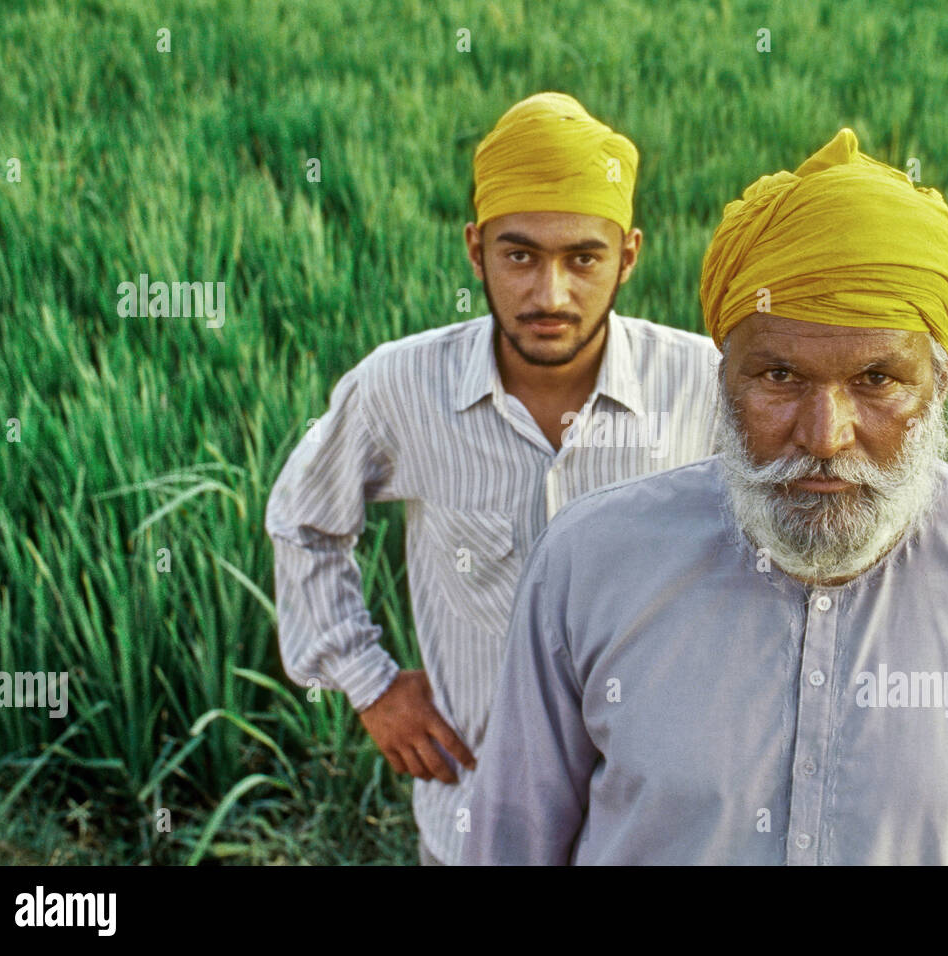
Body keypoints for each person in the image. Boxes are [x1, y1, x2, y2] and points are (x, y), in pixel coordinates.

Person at [463, 128, 948, 865]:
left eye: (876, 380)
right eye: (779, 378)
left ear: (937, 386)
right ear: (722, 380)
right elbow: (512, 834)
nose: (826, 435)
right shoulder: (591, 559)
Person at [264, 92, 720, 866]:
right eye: (519, 256)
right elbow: (305, 520)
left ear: (629, 256)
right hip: (473, 821)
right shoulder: (399, 387)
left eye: (583, 258)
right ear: (475, 250)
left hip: (654, 829)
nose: (550, 295)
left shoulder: (701, 384)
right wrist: (370, 683)